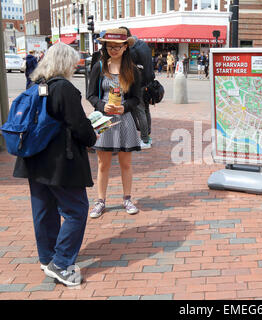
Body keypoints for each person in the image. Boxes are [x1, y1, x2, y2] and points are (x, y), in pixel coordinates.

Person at [13, 43, 97, 286]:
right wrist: (94, 134)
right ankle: (60, 264)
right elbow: (80, 128)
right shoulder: (64, 89)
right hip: (60, 163)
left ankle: (47, 257)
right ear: (64, 64)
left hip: (33, 159)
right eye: (72, 63)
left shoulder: (36, 85)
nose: (74, 67)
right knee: (76, 210)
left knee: (44, 210)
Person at [87, 28, 142, 218]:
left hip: (124, 119)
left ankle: (127, 198)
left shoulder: (132, 70)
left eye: (118, 46)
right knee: (103, 164)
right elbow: (90, 95)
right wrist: (102, 105)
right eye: (110, 46)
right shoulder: (99, 67)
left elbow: (137, 98)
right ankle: (100, 201)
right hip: (104, 119)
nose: (114, 49)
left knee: (126, 163)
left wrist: (124, 107)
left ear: (125, 47)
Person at [119, 26, 155, 149]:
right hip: (148, 82)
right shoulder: (143, 44)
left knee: (139, 111)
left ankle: (145, 139)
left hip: (138, 84)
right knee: (145, 110)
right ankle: (147, 136)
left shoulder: (132, 50)